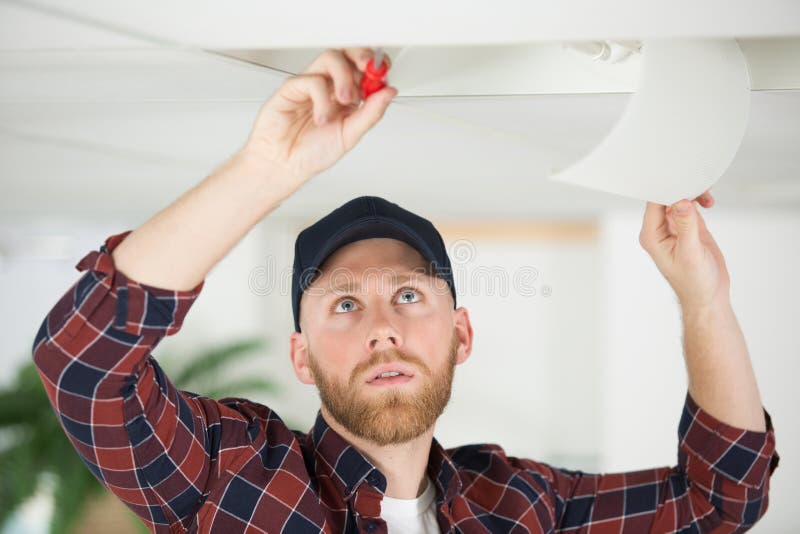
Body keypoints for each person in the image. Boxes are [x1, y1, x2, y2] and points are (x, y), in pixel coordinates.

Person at [32, 48, 778, 534]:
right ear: (301, 355)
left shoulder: (522, 510)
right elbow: (83, 367)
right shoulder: (232, 482)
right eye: (345, 304)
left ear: (461, 335)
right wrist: (268, 170)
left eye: (411, 297)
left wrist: (703, 300)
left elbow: (721, 502)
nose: (382, 327)